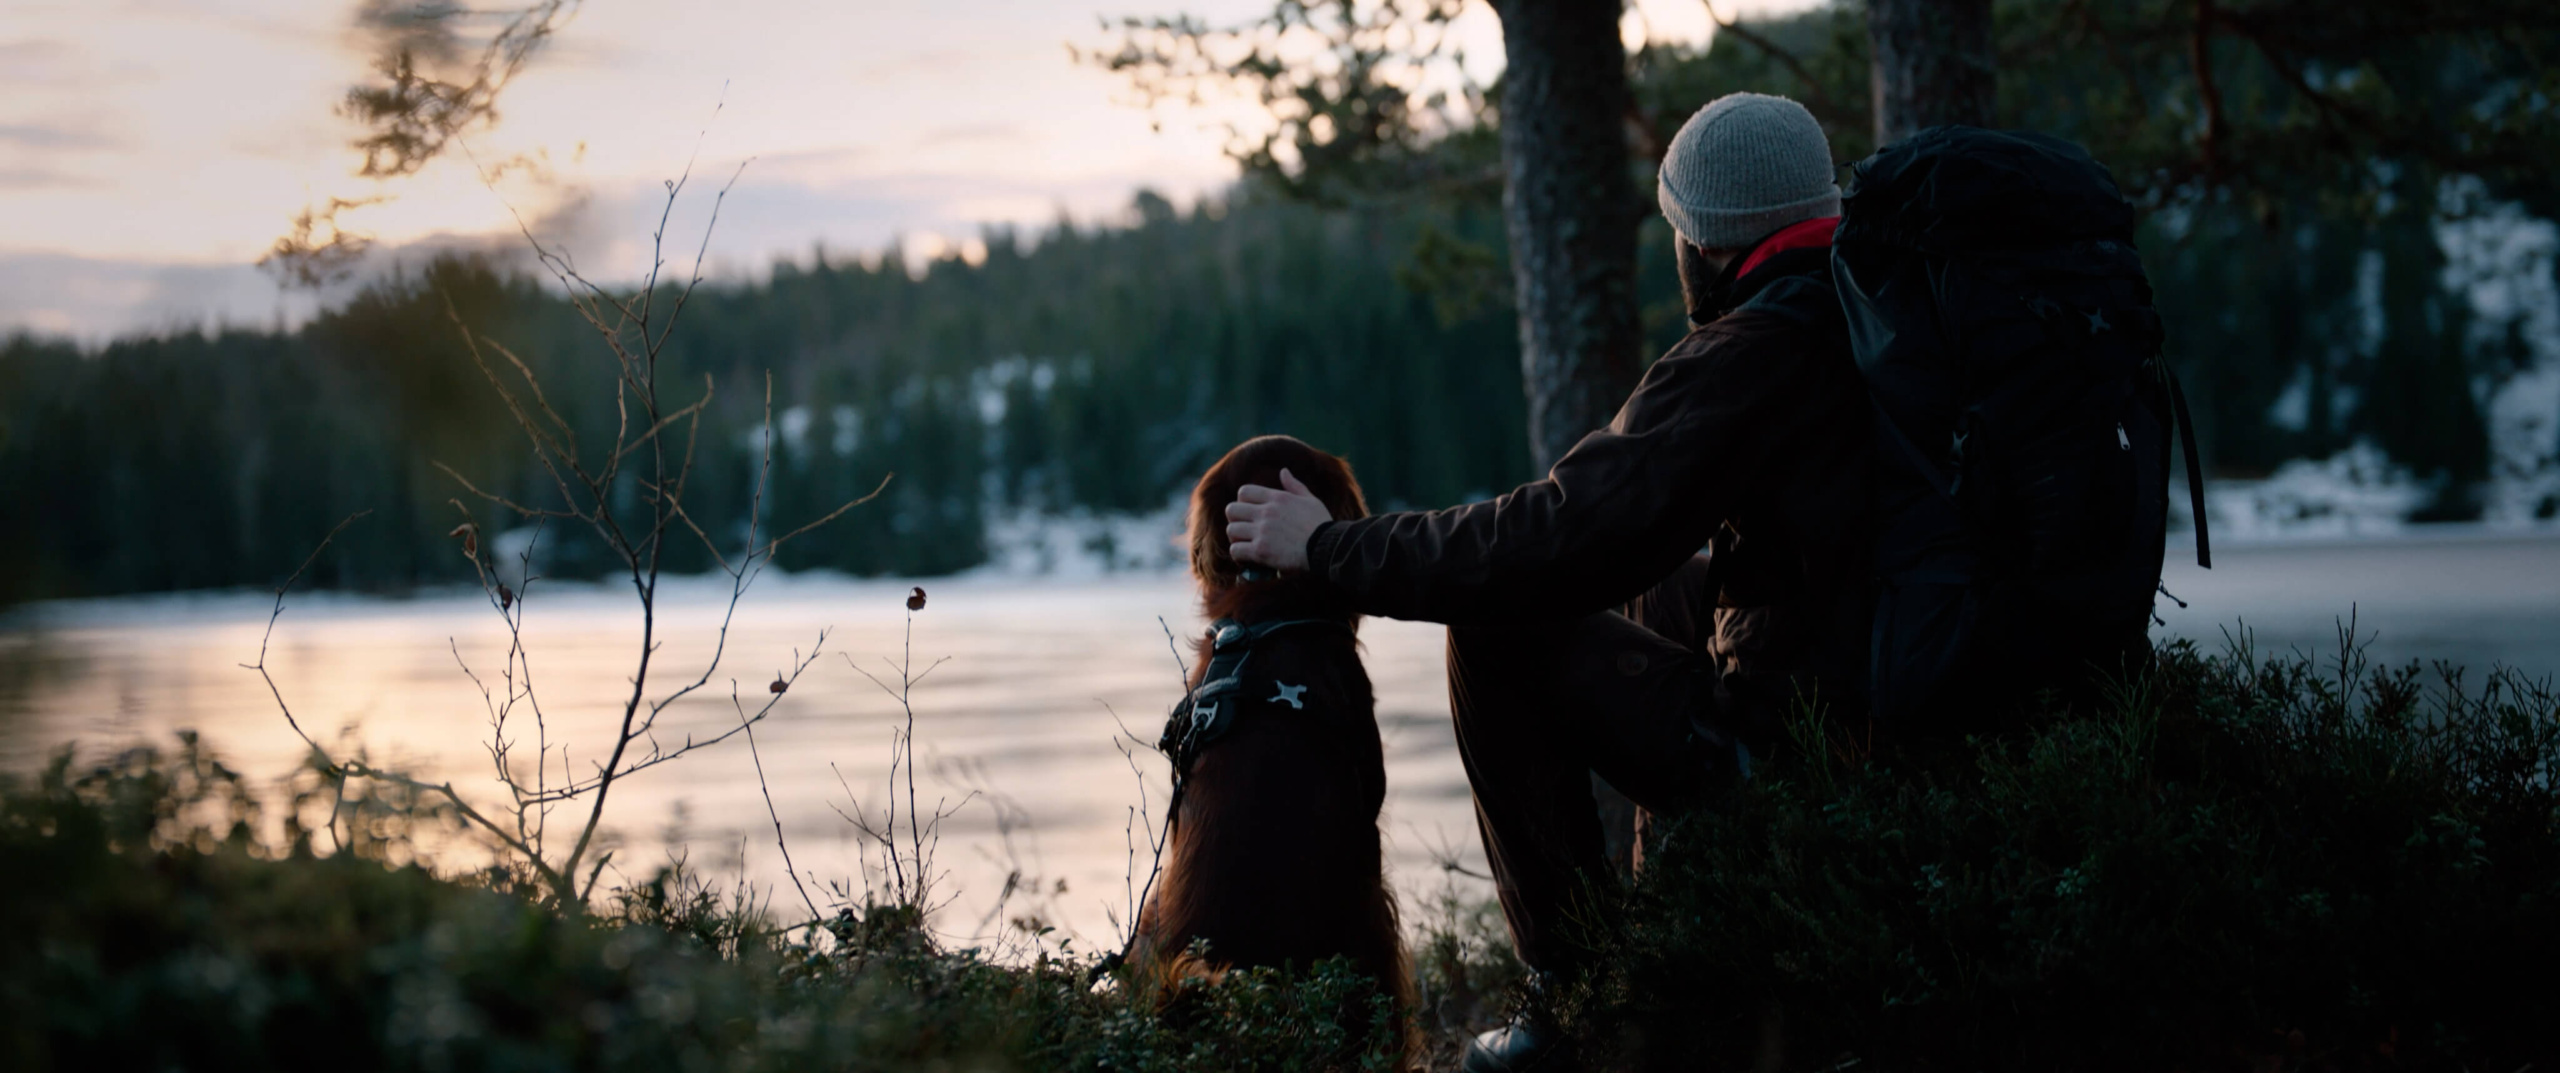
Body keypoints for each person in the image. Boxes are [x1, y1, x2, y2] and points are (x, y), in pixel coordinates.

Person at [1223, 92, 1872, 1072]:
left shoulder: (1751, 354)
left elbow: (1553, 537)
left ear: (1703, 239)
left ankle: (1574, 999)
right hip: (1937, 706)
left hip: (1832, 753)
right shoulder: (1876, 307)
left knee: (1496, 619)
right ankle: (1674, 914)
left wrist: (1329, 547)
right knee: (1680, 588)